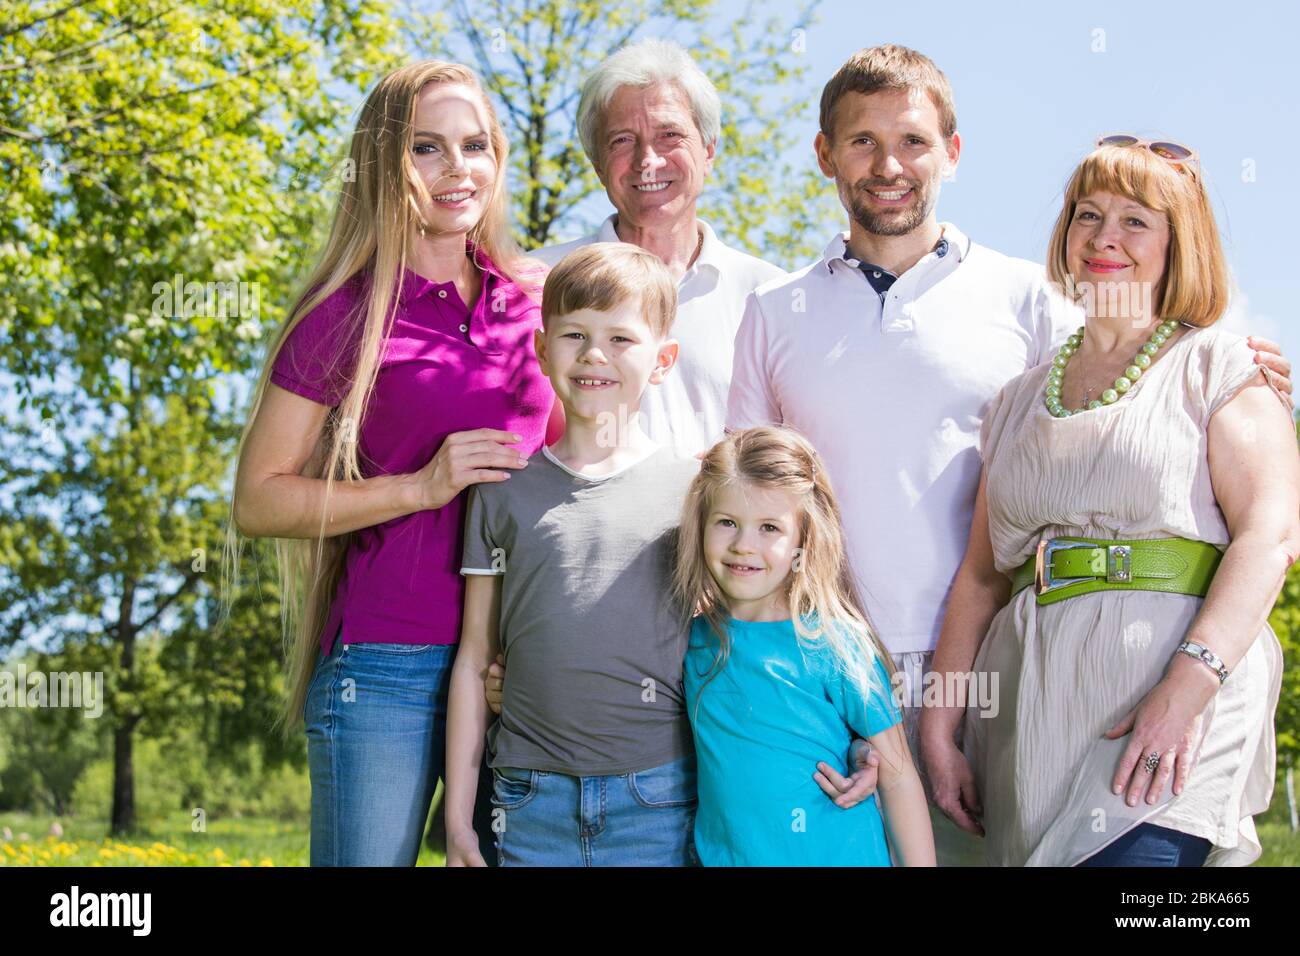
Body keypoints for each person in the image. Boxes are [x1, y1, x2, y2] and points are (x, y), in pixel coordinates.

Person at [725, 44, 1294, 865]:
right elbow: (762, 514)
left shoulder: (1032, 299)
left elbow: (1145, 382)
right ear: (825, 154)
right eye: (861, 141)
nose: (889, 164)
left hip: (1024, 674)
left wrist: (1234, 361)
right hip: (849, 666)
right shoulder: (775, 314)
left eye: (914, 140)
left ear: (953, 152)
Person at [924, 137, 1299, 866]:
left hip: (1175, 687)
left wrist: (1188, 686)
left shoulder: (1221, 365)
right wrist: (941, 727)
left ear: (1178, 242)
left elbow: (1270, 534)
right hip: (1035, 705)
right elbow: (979, 579)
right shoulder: (1015, 402)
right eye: (1088, 215)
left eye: (1136, 220)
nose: (1104, 238)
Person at [228, 61, 555, 866]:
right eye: (427, 149)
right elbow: (258, 500)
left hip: (518, 664)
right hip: (385, 667)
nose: (458, 170)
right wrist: (419, 486)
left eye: (474, 145)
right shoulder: (344, 311)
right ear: (383, 163)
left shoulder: (543, 299)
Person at [445, 243, 700, 867]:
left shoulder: (693, 492)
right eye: (575, 334)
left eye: (621, 339)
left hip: (659, 797)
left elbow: (726, 643)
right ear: (540, 348)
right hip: (530, 799)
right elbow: (475, 658)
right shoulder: (502, 492)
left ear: (663, 361)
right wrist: (458, 823)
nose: (594, 355)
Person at [677, 426, 935, 866]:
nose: (744, 545)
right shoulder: (691, 638)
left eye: (769, 528)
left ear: (804, 538)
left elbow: (897, 777)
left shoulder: (834, 641)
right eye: (727, 522)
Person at [532, 38, 784, 456]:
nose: (647, 160)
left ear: (708, 151)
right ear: (597, 164)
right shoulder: (533, 282)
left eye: (670, 135)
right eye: (622, 141)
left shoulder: (770, 295)